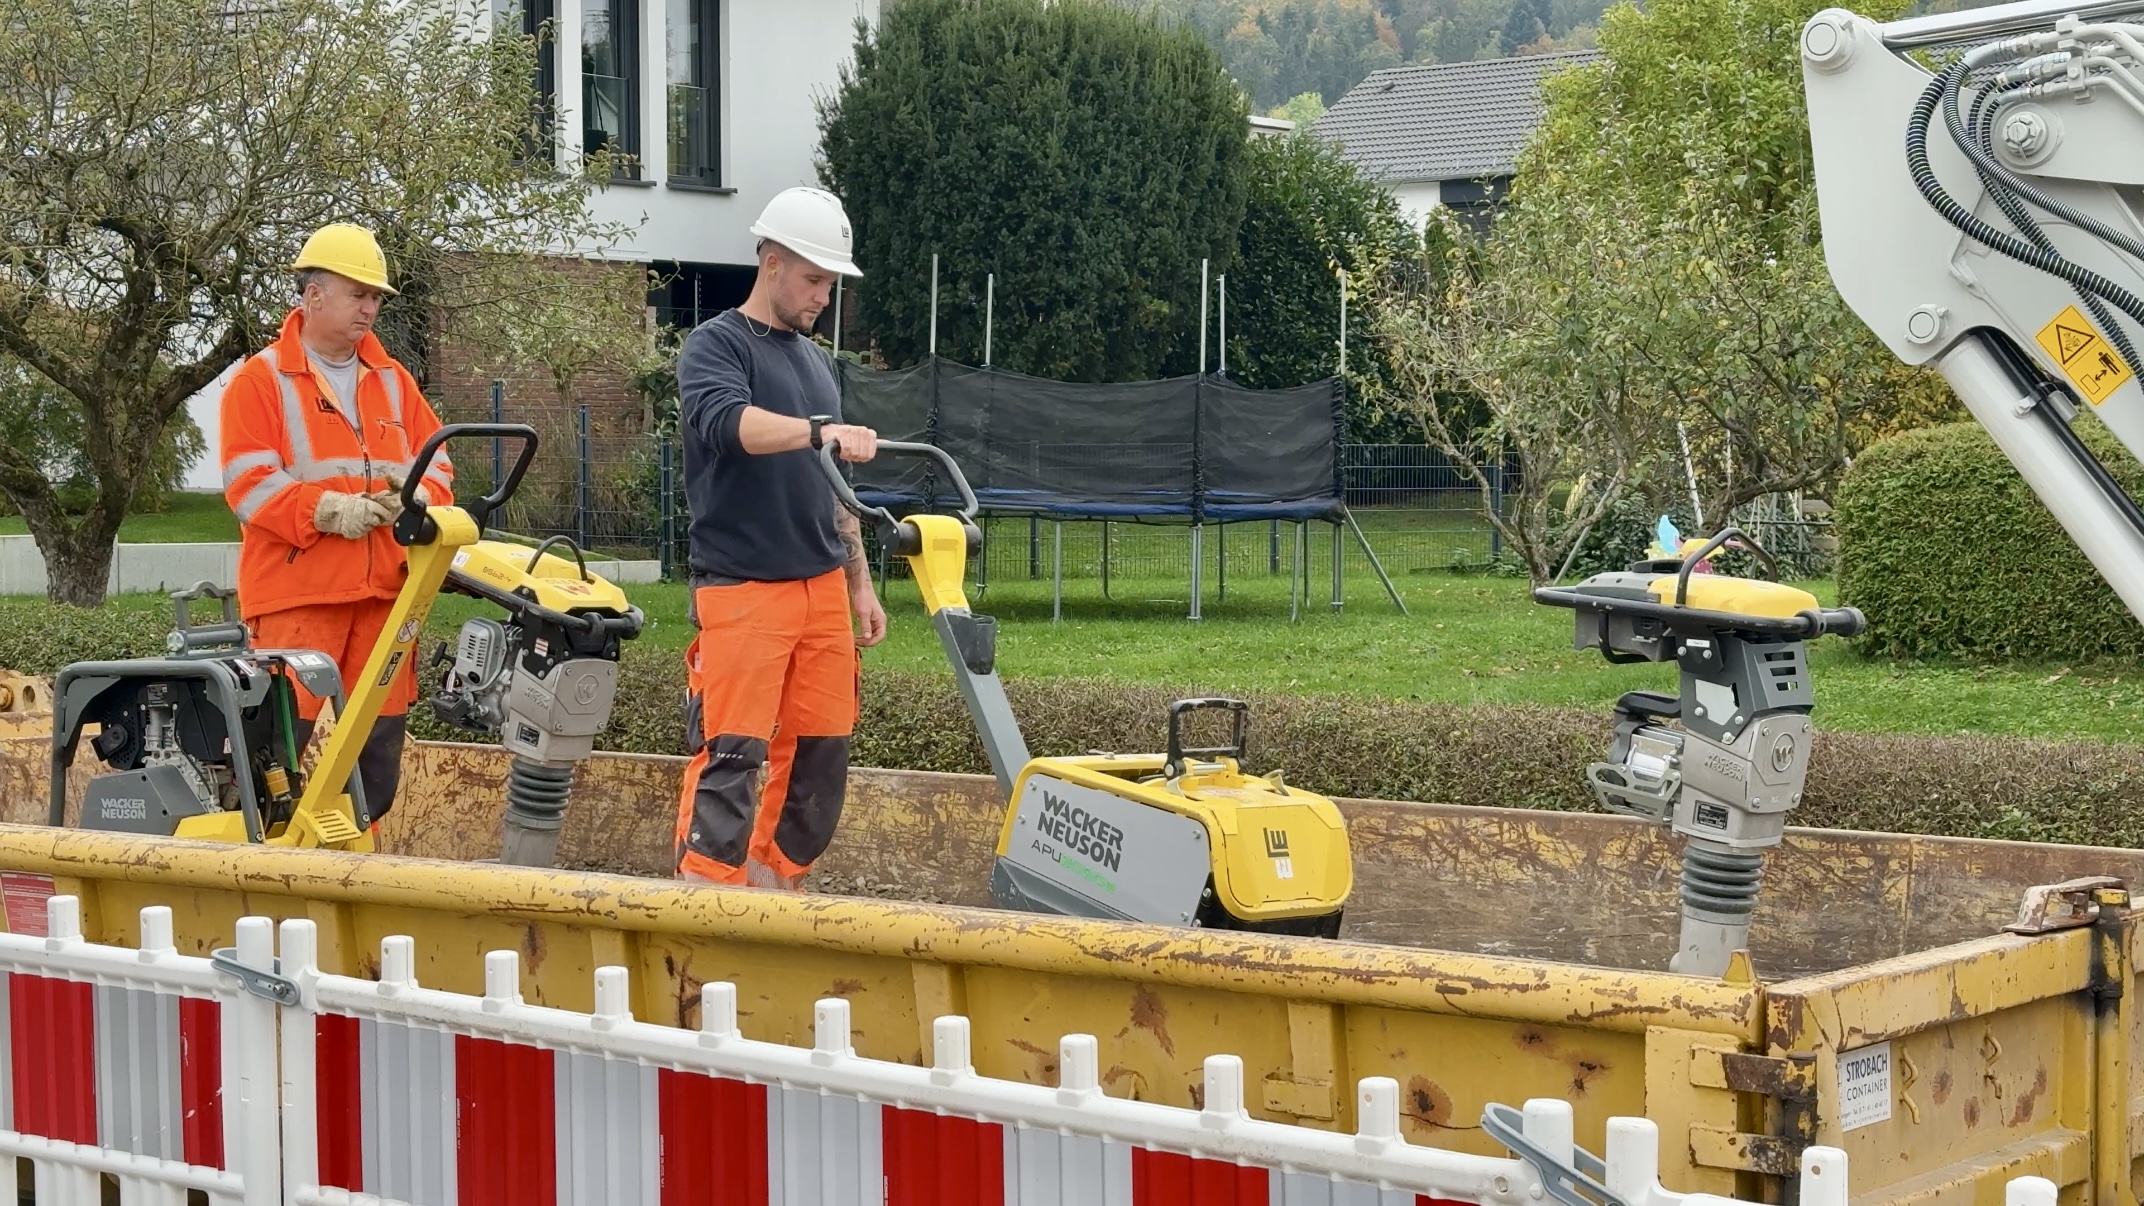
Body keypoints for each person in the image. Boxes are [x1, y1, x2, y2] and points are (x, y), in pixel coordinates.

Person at [673, 186, 886, 889]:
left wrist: (859, 583)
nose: (825, 296)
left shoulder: (816, 363)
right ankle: (702, 907)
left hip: (821, 586)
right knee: (732, 754)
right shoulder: (716, 345)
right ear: (771, 263)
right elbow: (727, 424)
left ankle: (774, 894)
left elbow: (833, 484)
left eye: (831, 283)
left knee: (821, 757)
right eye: (814, 280)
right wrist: (819, 431)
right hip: (743, 587)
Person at [219, 222, 455, 825]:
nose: (369, 308)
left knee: (377, 769)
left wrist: (413, 501)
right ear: (313, 295)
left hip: (384, 599)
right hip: (300, 598)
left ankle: (343, 861)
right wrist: (328, 511)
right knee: (271, 765)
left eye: (375, 297)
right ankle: (259, 861)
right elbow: (248, 485)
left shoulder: (394, 380)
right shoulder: (260, 380)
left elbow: (438, 465)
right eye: (358, 294)